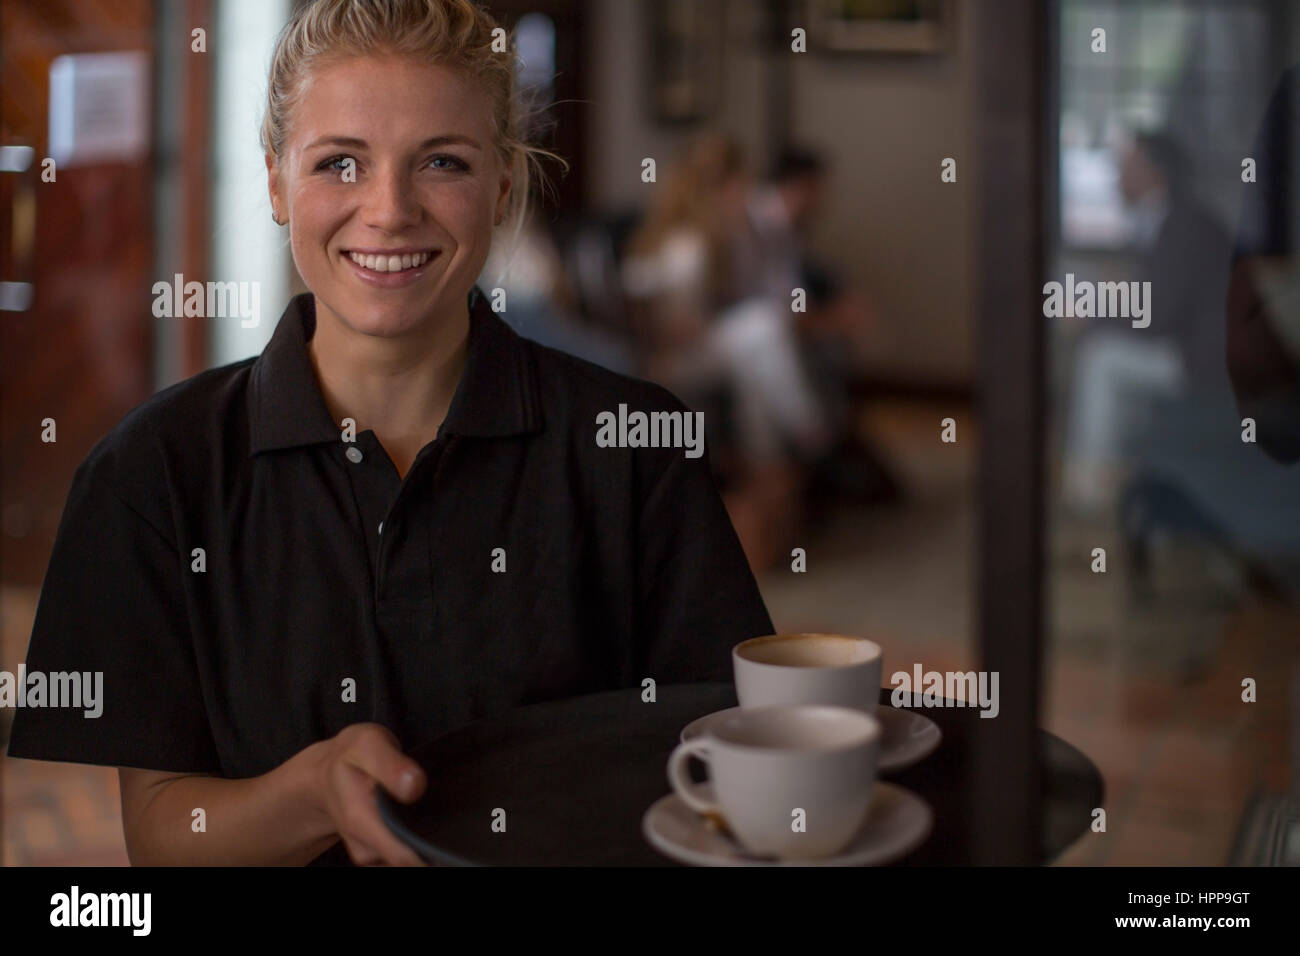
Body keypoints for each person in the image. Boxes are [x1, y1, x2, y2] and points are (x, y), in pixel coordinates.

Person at [6, 0, 773, 866]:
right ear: (273, 184)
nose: (389, 210)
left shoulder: (637, 443)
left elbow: (715, 757)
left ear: (505, 186)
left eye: (441, 161)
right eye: (340, 163)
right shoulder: (149, 474)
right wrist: (310, 792)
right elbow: (161, 838)